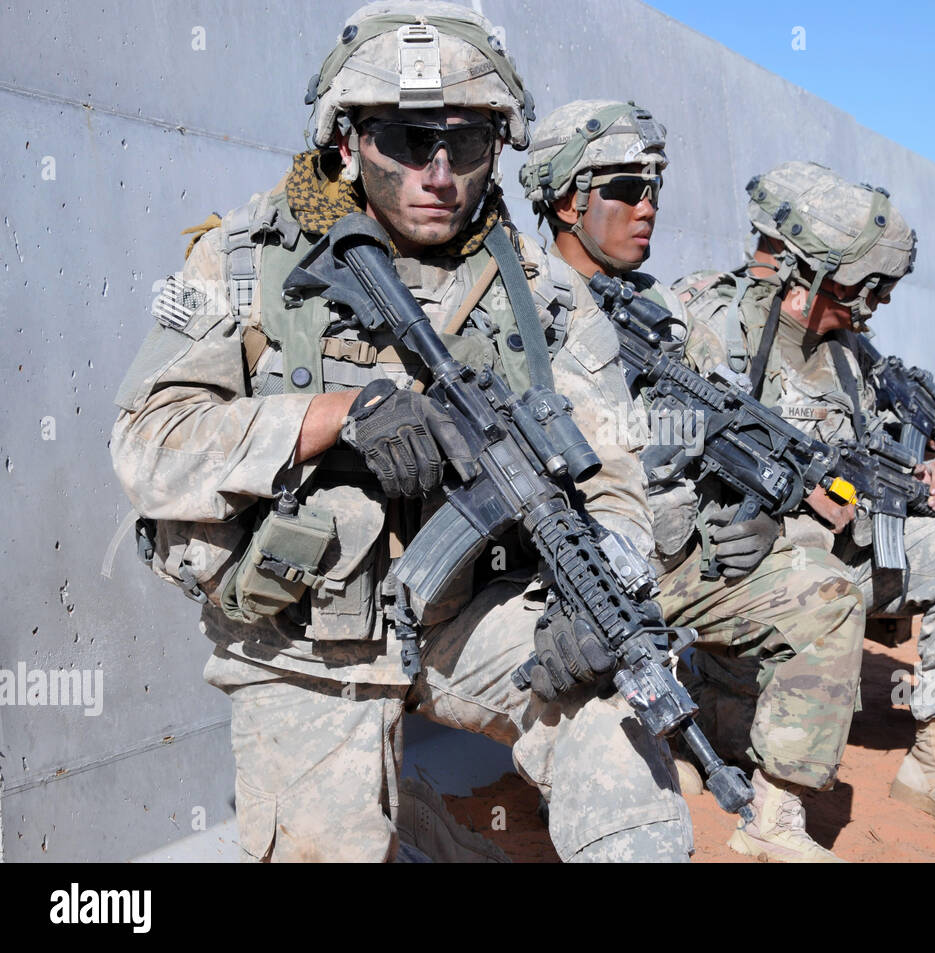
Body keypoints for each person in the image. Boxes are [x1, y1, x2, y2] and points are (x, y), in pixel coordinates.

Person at [110, 2, 691, 863]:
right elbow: (149, 445)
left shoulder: (549, 299)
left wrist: (605, 573)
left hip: (469, 616)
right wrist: (334, 416)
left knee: (621, 705)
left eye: (469, 143)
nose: (441, 172)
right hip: (302, 633)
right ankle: (411, 825)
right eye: (409, 140)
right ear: (347, 141)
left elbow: (611, 475)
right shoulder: (243, 262)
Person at [520, 104, 868, 862]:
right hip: (565, 572)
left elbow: (711, 426)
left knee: (829, 593)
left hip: (669, 558)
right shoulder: (522, 301)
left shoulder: (661, 308)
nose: (647, 207)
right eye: (624, 188)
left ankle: (773, 813)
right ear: (565, 199)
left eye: (655, 189)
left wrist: (759, 512)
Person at [676, 161, 935, 833]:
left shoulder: (849, 351)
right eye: (868, 284)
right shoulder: (715, 326)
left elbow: (868, 452)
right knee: (807, 594)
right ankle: (710, 725)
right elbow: (671, 473)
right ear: (810, 269)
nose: (877, 301)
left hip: (838, 549)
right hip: (739, 564)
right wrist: (792, 511)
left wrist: (930, 471)